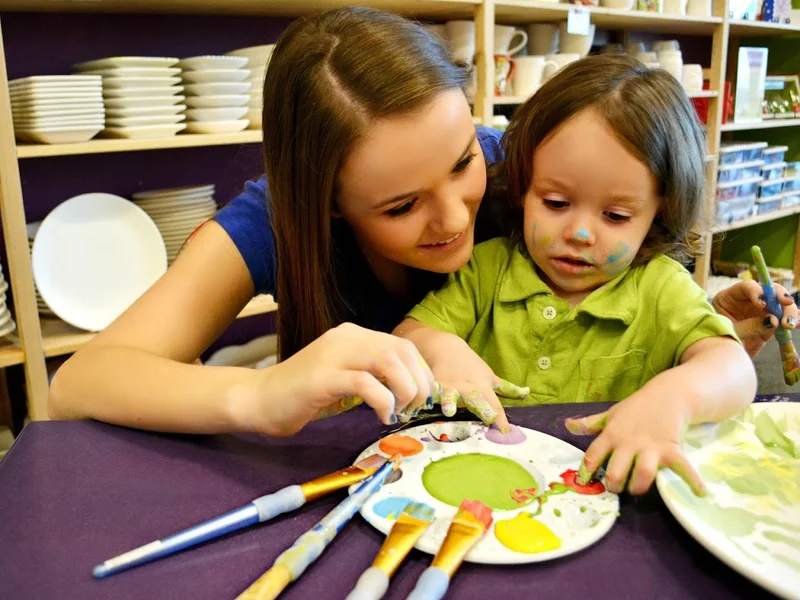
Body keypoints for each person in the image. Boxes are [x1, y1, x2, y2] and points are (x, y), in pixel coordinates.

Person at [48, 7, 792, 439]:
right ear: (327, 202)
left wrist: (690, 329)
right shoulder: (275, 220)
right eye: (400, 206)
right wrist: (259, 396)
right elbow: (80, 385)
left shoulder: (531, 174)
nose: (455, 216)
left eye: (465, 159)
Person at [394, 54, 757, 497]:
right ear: (523, 187)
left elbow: (734, 369)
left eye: (616, 214)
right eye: (556, 203)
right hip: (477, 486)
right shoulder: (488, 269)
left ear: (659, 212)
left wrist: (674, 400)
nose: (580, 233)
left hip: (603, 500)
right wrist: (442, 348)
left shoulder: (660, 287)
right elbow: (409, 335)